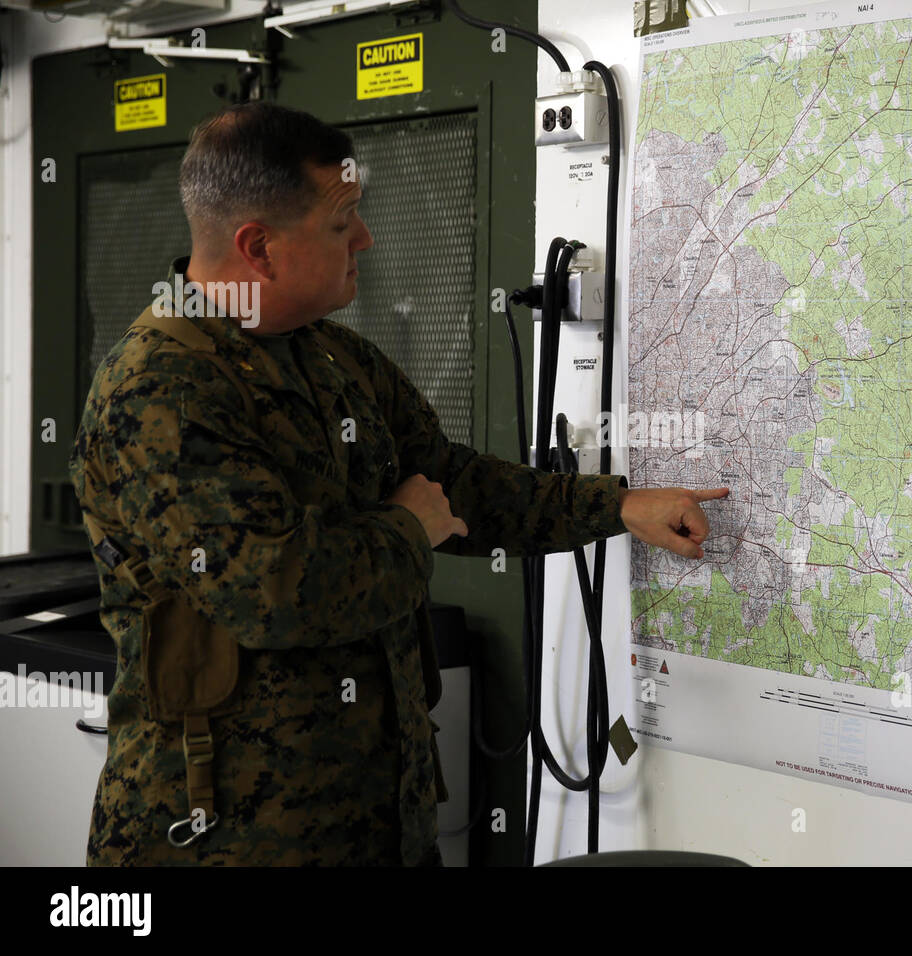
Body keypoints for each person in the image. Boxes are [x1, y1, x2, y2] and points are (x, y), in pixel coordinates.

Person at [66, 102, 727, 866]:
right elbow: (276, 591)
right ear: (258, 248)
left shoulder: (333, 358)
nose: (366, 239)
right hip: (231, 839)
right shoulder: (159, 387)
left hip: (380, 823)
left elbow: (453, 487)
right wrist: (409, 529)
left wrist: (615, 505)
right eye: (343, 221)